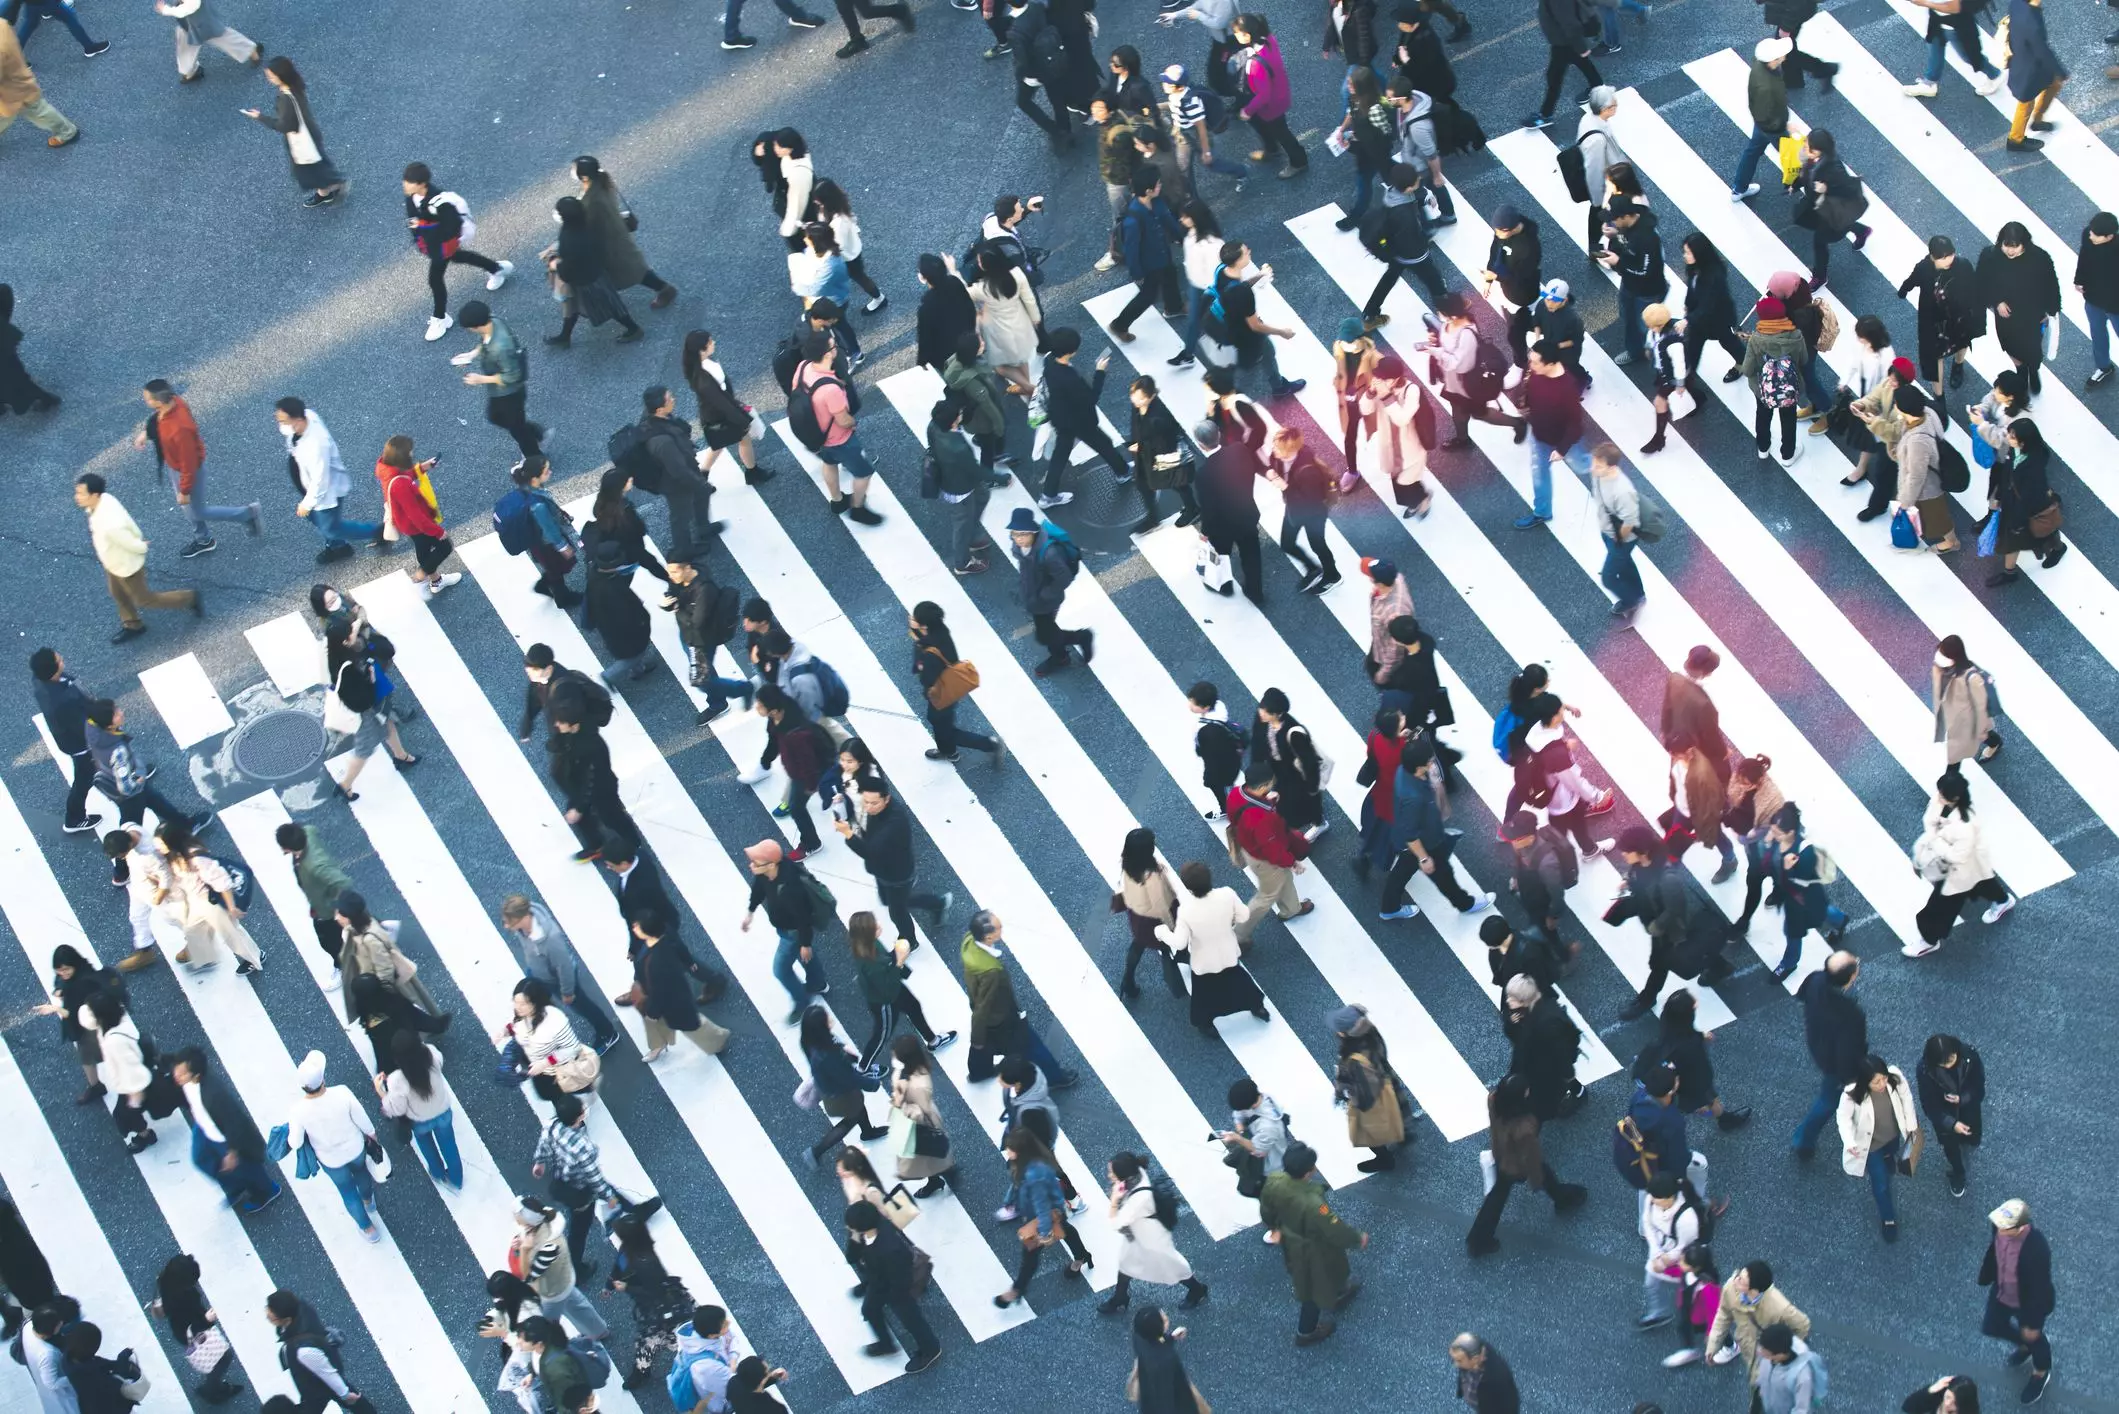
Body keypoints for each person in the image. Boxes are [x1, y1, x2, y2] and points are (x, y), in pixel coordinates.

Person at [132, 380, 261, 558]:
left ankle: (247, 514)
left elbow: (189, 463)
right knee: (190, 509)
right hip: (176, 466)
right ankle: (203, 539)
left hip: (186, 470)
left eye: (147, 399)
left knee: (197, 511)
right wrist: (146, 433)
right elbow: (157, 420)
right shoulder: (173, 402)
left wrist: (184, 490)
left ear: (159, 402)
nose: (145, 401)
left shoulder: (180, 428)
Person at [1467, 1073, 1588, 1255]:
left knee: (1498, 1195)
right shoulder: (1524, 1126)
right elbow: (1532, 1157)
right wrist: (1535, 1180)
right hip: (1516, 1165)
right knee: (1533, 1179)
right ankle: (1563, 1198)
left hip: (1500, 1152)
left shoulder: (1494, 1100)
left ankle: (1478, 1239)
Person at [73, 473, 201, 643]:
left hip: (126, 566)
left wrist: (141, 546)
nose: (77, 497)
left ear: (95, 495)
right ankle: (132, 624)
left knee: (145, 600)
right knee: (118, 593)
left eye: (81, 493)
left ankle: (190, 598)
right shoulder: (104, 500)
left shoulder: (109, 524)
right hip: (113, 562)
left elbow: (130, 543)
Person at [1259, 1141, 1365, 1344]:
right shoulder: (1314, 1204)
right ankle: (1306, 1331)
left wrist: (1274, 1227)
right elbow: (1334, 1228)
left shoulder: (1274, 1180)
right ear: (1308, 1173)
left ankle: (1339, 1293)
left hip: (1292, 1242)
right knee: (1313, 1289)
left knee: (1318, 1277)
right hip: (1314, 1249)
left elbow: (1266, 1209)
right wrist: (1357, 1238)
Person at [961, 910, 1076, 1087]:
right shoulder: (991, 971)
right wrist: (976, 1037)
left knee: (983, 1044)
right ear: (989, 937)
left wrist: (977, 1039)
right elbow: (982, 1009)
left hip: (988, 1016)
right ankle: (1055, 1077)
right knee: (1031, 1045)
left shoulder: (969, 942)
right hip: (1003, 1018)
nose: (1002, 929)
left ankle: (979, 1072)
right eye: (998, 928)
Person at [1908, 772, 2014, 957]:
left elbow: (1956, 856)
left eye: (1942, 794)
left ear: (1954, 797)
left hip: (1958, 870)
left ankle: (1929, 940)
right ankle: (2002, 901)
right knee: (1982, 883)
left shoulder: (1964, 825)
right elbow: (1931, 823)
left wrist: (1933, 842)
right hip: (1970, 863)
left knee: (1939, 906)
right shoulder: (1947, 804)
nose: (1937, 796)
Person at [1159, 859, 1270, 1034]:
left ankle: (1206, 1024)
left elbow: (1180, 942)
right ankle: (1257, 1007)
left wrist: (1163, 933)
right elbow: (1243, 916)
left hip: (1204, 963)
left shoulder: (1186, 910)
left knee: (1204, 998)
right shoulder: (1227, 894)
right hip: (1228, 953)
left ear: (1189, 887)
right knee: (1241, 983)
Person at [1382, 736, 1489, 918]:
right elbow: (1411, 835)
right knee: (1444, 875)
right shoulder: (1413, 797)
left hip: (1417, 834)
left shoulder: (1404, 772)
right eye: (1429, 761)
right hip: (1425, 843)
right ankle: (1465, 904)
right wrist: (1424, 858)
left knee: (1402, 871)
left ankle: (1389, 907)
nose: (1432, 762)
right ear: (1418, 767)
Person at [283, 1049, 383, 1241]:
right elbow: (363, 1121)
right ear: (322, 1079)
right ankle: (369, 1201)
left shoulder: (298, 1111)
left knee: (347, 1191)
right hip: (355, 1149)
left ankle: (368, 1230)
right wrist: (373, 1138)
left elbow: (295, 1142)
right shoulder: (342, 1093)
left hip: (331, 1159)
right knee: (362, 1173)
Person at [402, 162, 508, 341]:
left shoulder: (439, 202)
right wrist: (419, 237)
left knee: (435, 279)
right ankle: (496, 269)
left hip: (441, 245)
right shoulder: (411, 197)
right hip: (432, 244)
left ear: (422, 184)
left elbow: (453, 226)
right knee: (459, 257)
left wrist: (431, 234)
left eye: (409, 182)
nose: (405, 184)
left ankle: (440, 317)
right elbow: (412, 218)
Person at [324, 609, 418, 801]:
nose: (354, 633)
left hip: (370, 703)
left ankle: (401, 756)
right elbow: (359, 700)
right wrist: (371, 679)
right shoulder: (348, 665)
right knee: (365, 748)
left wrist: (358, 622)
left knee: (388, 722)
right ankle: (345, 785)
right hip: (365, 710)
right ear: (344, 641)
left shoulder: (336, 653)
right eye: (350, 633)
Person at [84, 699, 213, 838]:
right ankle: (124, 853)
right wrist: (139, 780)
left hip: (111, 778)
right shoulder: (118, 752)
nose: (121, 712)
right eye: (115, 714)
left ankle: (186, 825)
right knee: (131, 825)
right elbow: (126, 788)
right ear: (109, 726)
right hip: (131, 793)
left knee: (157, 802)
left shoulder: (92, 728)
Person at [992, 1126, 1092, 1307]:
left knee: (1030, 1254)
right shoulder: (1026, 1164)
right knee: (1065, 1230)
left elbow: (1042, 1206)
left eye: (1010, 1149)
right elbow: (1018, 1186)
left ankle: (1017, 1289)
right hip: (1045, 1212)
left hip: (1043, 1216)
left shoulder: (1034, 1175)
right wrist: (1011, 1199)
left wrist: (1043, 1233)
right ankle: (1082, 1256)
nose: (1007, 1151)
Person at [791, 331, 884, 523]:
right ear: (827, 354)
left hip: (818, 435)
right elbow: (843, 420)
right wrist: (853, 422)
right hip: (839, 439)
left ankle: (837, 500)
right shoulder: (830, 390)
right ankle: (857, 509)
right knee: (864, 473)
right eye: (834, 346)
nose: (837, 349)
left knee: (829, 463)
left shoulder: (803, 367)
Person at [1102, 1152, 1208, 1315]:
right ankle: (1120, 1297)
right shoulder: (1137, 1174)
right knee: (1126, 1262)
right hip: (1139, 1232)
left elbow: (1115, 1223)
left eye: (1112, 1172)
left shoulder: (1139, 1199)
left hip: (1150, 1237)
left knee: (1173, 1266)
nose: (1109, 1175)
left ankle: (1197, 1289)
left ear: (1124, 1174)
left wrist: (1114, 1200)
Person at [844, 1202, 941, 1373]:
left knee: (912, 1320)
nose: (847, 1227)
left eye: (851, 1227)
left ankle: (930, 1349)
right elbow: (851, 1257)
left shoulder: (890, 1249)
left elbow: (901, 1280)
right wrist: (854, 1237)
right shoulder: (870, 1230)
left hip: (895, 1288)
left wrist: (893, 1297)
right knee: (869, 1310)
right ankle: (886, 1344)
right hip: (878, 1280)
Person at [1039, 330, 1131, 507]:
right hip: (1080, 420)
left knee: (1061, 454)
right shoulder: (1069, 377)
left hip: (1060, 417)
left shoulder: (1049, 361)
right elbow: (1090, 399)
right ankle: (1123, 472)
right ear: (1071, 352)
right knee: (1103, 443)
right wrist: (1100, 372)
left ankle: (1048, 495)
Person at [1205, 242, 1306, 398]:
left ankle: (1243, 371)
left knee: (1248, 355)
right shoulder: (1243, 293)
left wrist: (1260, 274)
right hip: (1236, 327)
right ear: (1238, 261)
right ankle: (1278, 388)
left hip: (1216, 319)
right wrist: (1282, 332)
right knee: (1267, 350)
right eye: (1246, 252)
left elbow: (1238, 287)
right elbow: (1255, 325)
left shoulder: (1222, 270)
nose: (1249, 251)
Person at [1006, 505, 1095, 676]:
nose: (1018, 538)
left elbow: (1064, 578)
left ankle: (1080, 639)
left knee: (1045, 635)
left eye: (1022, 534)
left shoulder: (1049, 554)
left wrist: (1043, 595)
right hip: (1033, 595)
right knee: (1047, 632)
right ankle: (1061, 656)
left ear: (1032, 532)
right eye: (1015, 533)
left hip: (1045, 601)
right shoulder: (1021, 547)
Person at [241, 57, 344, 206]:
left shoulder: (286, 99)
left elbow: (284, 126)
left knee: (308, 169)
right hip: (309, 132)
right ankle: (328, 189)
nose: (269, 79)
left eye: (271, 76)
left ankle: (332, 186)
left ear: (282, 76)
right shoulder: (295, 86)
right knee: (316, 163)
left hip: (301, 139)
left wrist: (260, 117)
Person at [1837, 1052, 1917, 1241]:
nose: (1882, 1084)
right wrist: (1849, 1141)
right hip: (1870, 1147)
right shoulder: (1852, 1094)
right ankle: (1888, 1218)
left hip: (1892, 1136)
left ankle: (1888, 1158)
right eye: (1876, 1082)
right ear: (1865, 1082)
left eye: (1883, 1078)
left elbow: (1907, 1099)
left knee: (1891, 1153)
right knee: (1880, 1185)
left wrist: (1911, 1126)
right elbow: (1843, 1118)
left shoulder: (1894, 1077)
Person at [1792, 948, 1864, 1159]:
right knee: (1828, 1101)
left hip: (1818, 1044)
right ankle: (1803, 1141)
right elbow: (1848, 1050)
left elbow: (1801, 995)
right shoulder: (1850, 1014)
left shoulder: (1816, 979)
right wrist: (1848, 1078)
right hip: (1836, 1063)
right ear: (1851, 977)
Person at [451, 300, 546, 459]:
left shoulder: (501, 347)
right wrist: (472, 354)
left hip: (510, 393)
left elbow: (512, 376)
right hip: (500, 392)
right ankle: (535, 432)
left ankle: (535, 457)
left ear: (476, 327)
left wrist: (481, 379)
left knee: (517, 430)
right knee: (496, 417)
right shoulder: (493, 321)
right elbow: (485, 342)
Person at [1979, 1198, 2053, 1403]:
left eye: (2005, 1227)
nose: (2000, 1230)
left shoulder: (2037, 1249)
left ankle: (2041, 1371)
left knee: (2033, 1337)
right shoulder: (1999, 1227)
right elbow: (1995, 1249)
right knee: (1991, 1326)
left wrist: (2034, 1324)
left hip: (2026, 1301)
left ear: (2021, 1227)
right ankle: (2026, 1344)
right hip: (2002, 1289)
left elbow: (2040, 1290)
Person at [1979, 223, 2062, 394]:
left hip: (2032, 313)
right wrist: (1997, 301)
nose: (2010, 251)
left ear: (2024, 244)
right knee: (2010, 345)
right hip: (2006, 315)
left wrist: (2050, 311)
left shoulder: (2039, 258)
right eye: (2006, 246)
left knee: (2032, 346)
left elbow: (2051, 285)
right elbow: (1981, 281)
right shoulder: (1990, 256)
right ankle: (2022, 372)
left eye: (2015, 246)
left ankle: (2033, 371)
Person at [1982, 418, 2065, 586]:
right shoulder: (2017, 451)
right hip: (2014, 506)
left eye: (2012, 436)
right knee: (2020, 539)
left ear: (2024, 441)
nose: (2008, 438)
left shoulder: (2034, 463)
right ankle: (2010, 571)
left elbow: (2030, 495)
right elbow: (2008, 475)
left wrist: (2017, 520)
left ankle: (2057, 548)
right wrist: (1999, 496)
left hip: (2027, 510)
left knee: (2038, 532)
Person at [682, 330, 771, 484]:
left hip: (715, 415)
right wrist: (743, 419)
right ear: (701, 350)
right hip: (721, 416)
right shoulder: (704, 377)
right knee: (741, 438)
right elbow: (721, 403)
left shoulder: (697, 367)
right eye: (710, 342)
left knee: (720, 443)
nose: (713, 342)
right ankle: (752, 472)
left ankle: (703, 475)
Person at [1333, 1003, 1414, 1172]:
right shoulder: (1371, 1032)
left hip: (1371, 1095)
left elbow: (1357, 1088)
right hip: (1386, 1080)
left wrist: (1343, 1093)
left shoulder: (1353, 1057)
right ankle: (1402, 1134)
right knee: (1396, 1110)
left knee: (1369, 1130)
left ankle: (1384, 1160)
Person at [150, 1253, 239, 1404]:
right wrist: (207, 1319)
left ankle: (212, 1388)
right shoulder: (185, 1297)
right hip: (190, 1331)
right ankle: (212, 1391)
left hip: (180, 1329)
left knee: (220, 1358)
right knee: (223, 1357)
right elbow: (193, 1324)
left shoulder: (165, 1281)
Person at [375, 438, 460, 596]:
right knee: (445, 546)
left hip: (406, 524)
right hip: (415, 525)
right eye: (409, 453)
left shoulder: (386, 468)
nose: (412, 454)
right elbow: (417, 517)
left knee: (423, 549)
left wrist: (423, 467)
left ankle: (435, 580)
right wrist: (437, 531)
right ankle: (420, 578)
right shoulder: (401, 485)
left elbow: (403, 475)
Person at [1110, 171, 1187, 341]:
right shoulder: (1133, 220)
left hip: (1162, 253)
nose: (1160, 185)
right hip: (1149, 264)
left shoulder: (1156, 202)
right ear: (1148, 190)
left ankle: (1174, 307)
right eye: (1157, 184)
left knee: (1171, 275)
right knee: (1148, 296)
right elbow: (1132, 250)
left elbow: (1168, 221)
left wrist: (1182, 238)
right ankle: (1119, 325)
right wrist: (1137, 273)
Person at [1793, 128, 1870, 293]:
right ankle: (1861, 230)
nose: (1806, 150)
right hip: (1818, 205)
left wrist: (1826, 188)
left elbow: (1848, 190)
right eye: (1806, 144)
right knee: (1834, 227)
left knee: (1819, 241)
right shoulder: (1815, 158)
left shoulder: (1834, 168)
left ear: (1821, 150)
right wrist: (1796, 184)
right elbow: (1806, 173)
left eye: (1810, 148)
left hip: (1829, 209)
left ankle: (1820, 276)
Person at [1232, 13, 1305, 177]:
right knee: (1271, 128)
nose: (1235, 36)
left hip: (1271, 105)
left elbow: (1263, 96)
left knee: (1283, 134)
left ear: (1247, 35)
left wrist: (1247, 111)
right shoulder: (1268, 39)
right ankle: (1271, 149)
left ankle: (1299, 162)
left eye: (1237, 33)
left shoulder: (1256, 64)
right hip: (1280, 93)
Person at [1114, 828, 1181, 1000]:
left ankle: (1127, 980)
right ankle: (1176, 982)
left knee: (1139, 943)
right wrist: (1173, 928)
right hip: (1156, 920)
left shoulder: (1128, 863)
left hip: (1138, 916)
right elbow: (1161, 908)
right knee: (1168, 947)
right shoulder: (1152, 877)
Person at [1917, 1033, 1984, 1199]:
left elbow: (1979, 1087)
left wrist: (1963, 1099)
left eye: (1951, 1059)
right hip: (1945, 1119)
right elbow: (1929, 1105)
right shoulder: (1925, 1070)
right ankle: (1958, 1174)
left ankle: (1970, 1141)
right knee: (1952, 1149)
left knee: (1972, 1139)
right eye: (1943, 1063)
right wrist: (1951, 1123)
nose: (1948, 1065)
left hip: (1969, 1111)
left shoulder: (1969, 1057)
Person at [1741, 296, 1807, 465]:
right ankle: (1788, 455)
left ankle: (1763, 448)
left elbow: (1747, 369)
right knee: (1788, 419)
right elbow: (1804, 360)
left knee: (1763, 416)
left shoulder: (1756, 339)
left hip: (1763, 390)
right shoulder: (1796, 335)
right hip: (1789, 388)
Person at [1638, 1172, 1702, 1331]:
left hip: (1683, 1258)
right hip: (1661, 1251)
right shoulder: (1652, 1198)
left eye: (1655, 1198)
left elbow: (1684, 1246)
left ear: (1669, 1197)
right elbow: (1647, 1223)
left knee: (1688, 1287)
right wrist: (1657, 1254)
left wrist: (1666, 1259)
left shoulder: (1687, 1218)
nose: (1650, 1200)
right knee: (1650, 1282)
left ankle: (1699, 1314)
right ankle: (1657, 1313)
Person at [0, 28, 80, 150]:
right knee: (35, 108)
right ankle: (67, 131)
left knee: (35, 109)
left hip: (10, 90)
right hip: (17, 80)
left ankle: (67, 132)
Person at [1525, 0, 1600, 130]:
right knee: (1583, 65)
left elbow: (1569, 22)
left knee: (1554, 77)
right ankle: (1599, 89)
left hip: (1564, 41)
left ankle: (1545, 115)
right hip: (1565, 39)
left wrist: (1581, 47)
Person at [2002, 0, 2065, 152]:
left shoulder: (2019, 5)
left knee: (2052, 85)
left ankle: (2037, 119)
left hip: (2026, 61)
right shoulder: (2030, 20)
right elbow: (2041, 49)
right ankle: (2015, 139)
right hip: (2030, 67)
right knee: (2026, 102)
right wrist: (2060, 71)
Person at [1933, 634, 2002, 771]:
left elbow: (1981, 706)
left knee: (1954, 756)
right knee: (1981, 737)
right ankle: (1995, 742)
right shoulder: (1951, 669)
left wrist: (1981, 727)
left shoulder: (1972, 678)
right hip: (1960, 717)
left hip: (1969, 719)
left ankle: (1947, 787)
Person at [1752, 1323, 1827, 1414]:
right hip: (1769, 1404)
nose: (1761, 1354)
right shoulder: (1767, 1350)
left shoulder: (1802, 1377)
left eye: (1767, 1354)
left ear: (1780, 1354)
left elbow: (1801, 1410)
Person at [1448, 1333, 1519, 1413]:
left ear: (1474, 1359)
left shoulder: (1498, 1377)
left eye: (1459, 1361)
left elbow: (1509, 1405)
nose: (1455, 1364)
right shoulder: (1475, 1350)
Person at [1904, 1376, 1984, 1414]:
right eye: (1948, 1397)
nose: (1947, 1403)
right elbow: (1907, 1407)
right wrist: (1931, 1390)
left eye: (1954, 1402)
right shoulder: (1937, 1398)